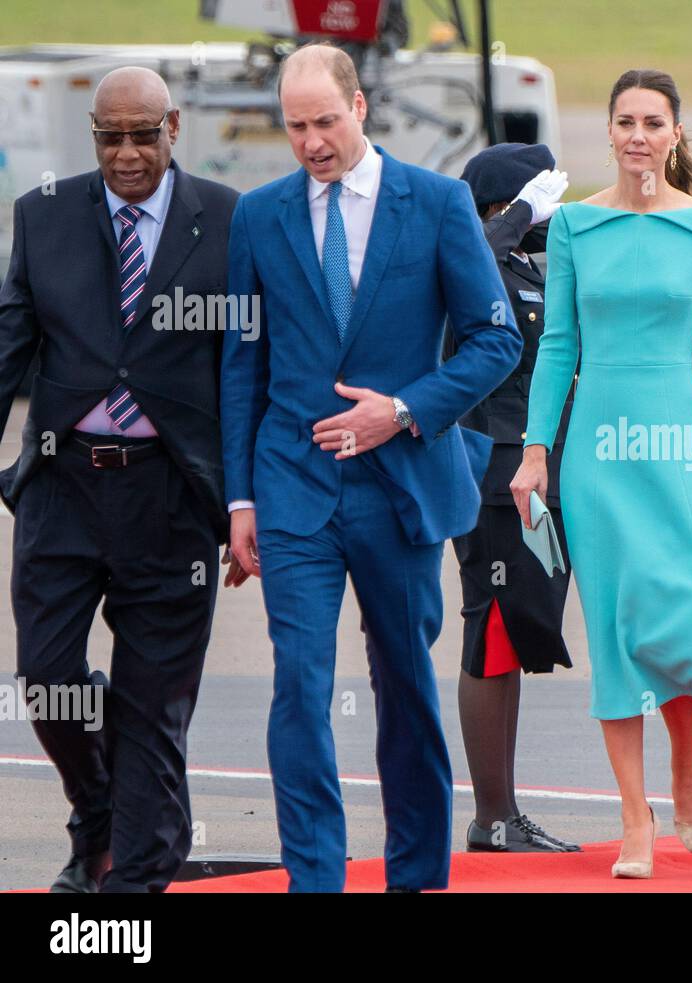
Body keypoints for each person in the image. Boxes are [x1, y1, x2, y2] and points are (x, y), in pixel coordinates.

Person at [221, 44, 521, 892]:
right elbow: (243, 362)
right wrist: (240, 498)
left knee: (404, 685)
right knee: (300, 685)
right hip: (292, 488)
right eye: (295, 125)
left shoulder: (436, 203)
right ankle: (313, 877)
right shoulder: (259, 215)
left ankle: (416, 874)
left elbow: (495, 340)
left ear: (361, 107)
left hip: (403, 489)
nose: (311, 141)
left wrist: (404, 409)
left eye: (324, 121)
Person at [0, 67, 241, 892]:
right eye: (112, 137)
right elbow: (9, 348)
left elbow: (251, 370)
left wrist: (248, 500)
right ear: (93, 135)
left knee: (152, 707)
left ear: (174, 126)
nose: (128, 153)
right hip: (63, 490)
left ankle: (133, 880)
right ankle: (98, 809)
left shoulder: (229, 219)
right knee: (47, 677)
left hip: (172, 496)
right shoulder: (43, 216)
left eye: (145, 134)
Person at [512, 69, 692, 879]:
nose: (639, 135)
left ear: (675, 133)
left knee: (676, 615)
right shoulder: (576, 225)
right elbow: (558, 346)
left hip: (678, 445)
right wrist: (538, 446)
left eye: (653, 121)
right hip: (598, 454)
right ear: (609, 133)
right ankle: (633, 812)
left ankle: (686, 758)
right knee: (615, 628)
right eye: (625, 122)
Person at [448, 142, 579, 853]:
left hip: (535, 471)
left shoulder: (531, 270)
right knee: (492, 628)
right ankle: (492, 816)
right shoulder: (480, 263)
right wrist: (512, 217)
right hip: (493, 474)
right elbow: (462, 268)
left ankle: (503, 810)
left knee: (515, 629)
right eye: (540, 208)